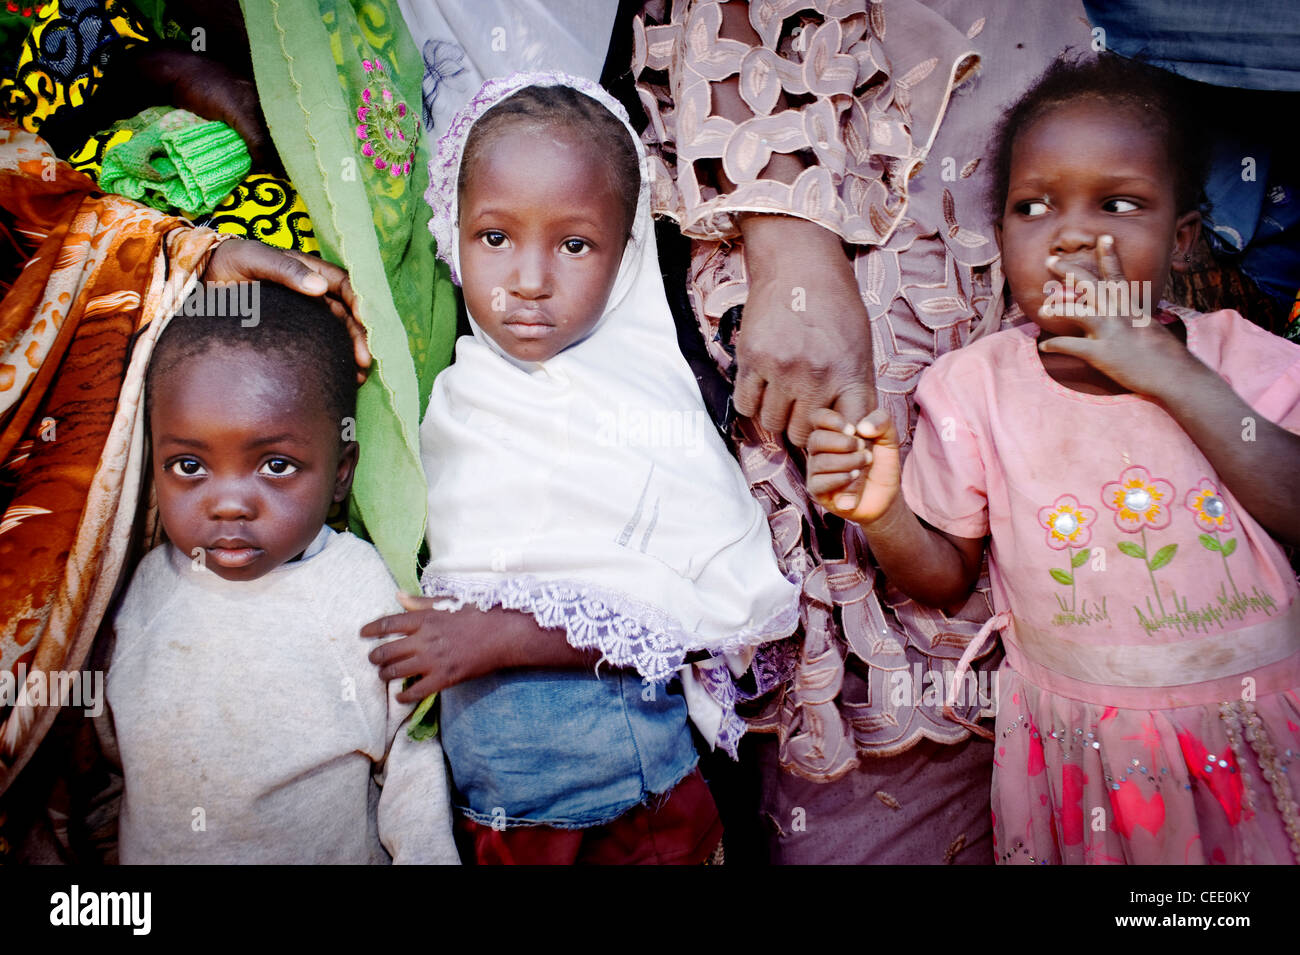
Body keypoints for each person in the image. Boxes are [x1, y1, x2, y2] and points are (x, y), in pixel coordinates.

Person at [808, 53, 1300, 864]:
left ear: (1181, 238)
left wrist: (1169, 372)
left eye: (1117, 203)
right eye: (1034, 207)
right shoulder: (977, 388)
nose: (1073, 234)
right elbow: (946, 575)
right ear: (1000, 236)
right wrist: (884, 513)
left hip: (1255, 730)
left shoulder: (1239, 358)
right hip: (1087, 760)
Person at [363, 72, 800, 865]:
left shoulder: (639, 408)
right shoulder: (460, 397)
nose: (529, 280)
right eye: (495, 237)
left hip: (628, 807)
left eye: (574, 244)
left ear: (627, 252)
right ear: (452, 232)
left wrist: (494, 637)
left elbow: (670, 614)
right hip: (500, 807)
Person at [95, 284, 458, 863]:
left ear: (341, 474)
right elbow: (109, 767)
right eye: (189, 466)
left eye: (277, 465)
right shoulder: (137, 593)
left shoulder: (361, 591)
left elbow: (410, 763)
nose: (231, 504)